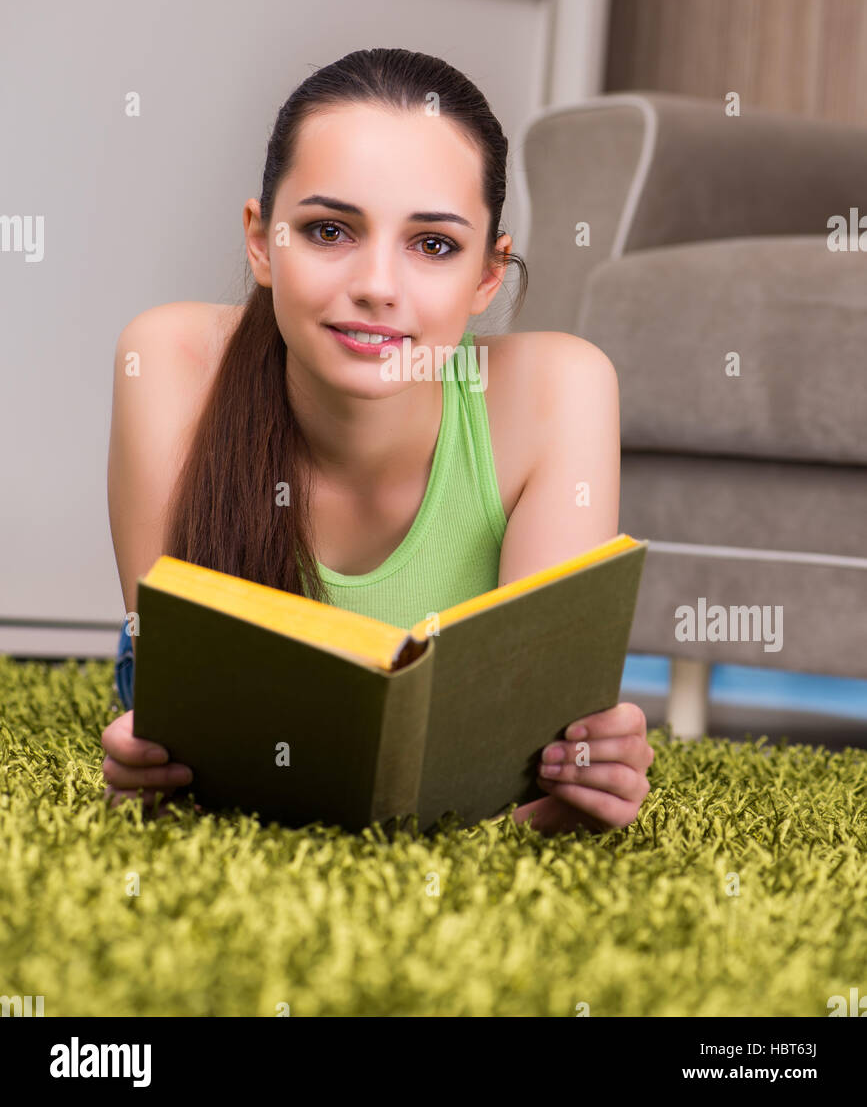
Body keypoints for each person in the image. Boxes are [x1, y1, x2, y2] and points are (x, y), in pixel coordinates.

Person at [101, 47, 653, 835]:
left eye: (433, 245)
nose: (377, 286)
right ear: (262, 242)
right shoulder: (169, 358)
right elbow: (186, 710)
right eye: (329, 230)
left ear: (488, 276)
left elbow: (538, 760)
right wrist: (152, 764)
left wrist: (581, 779)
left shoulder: (560, 387)